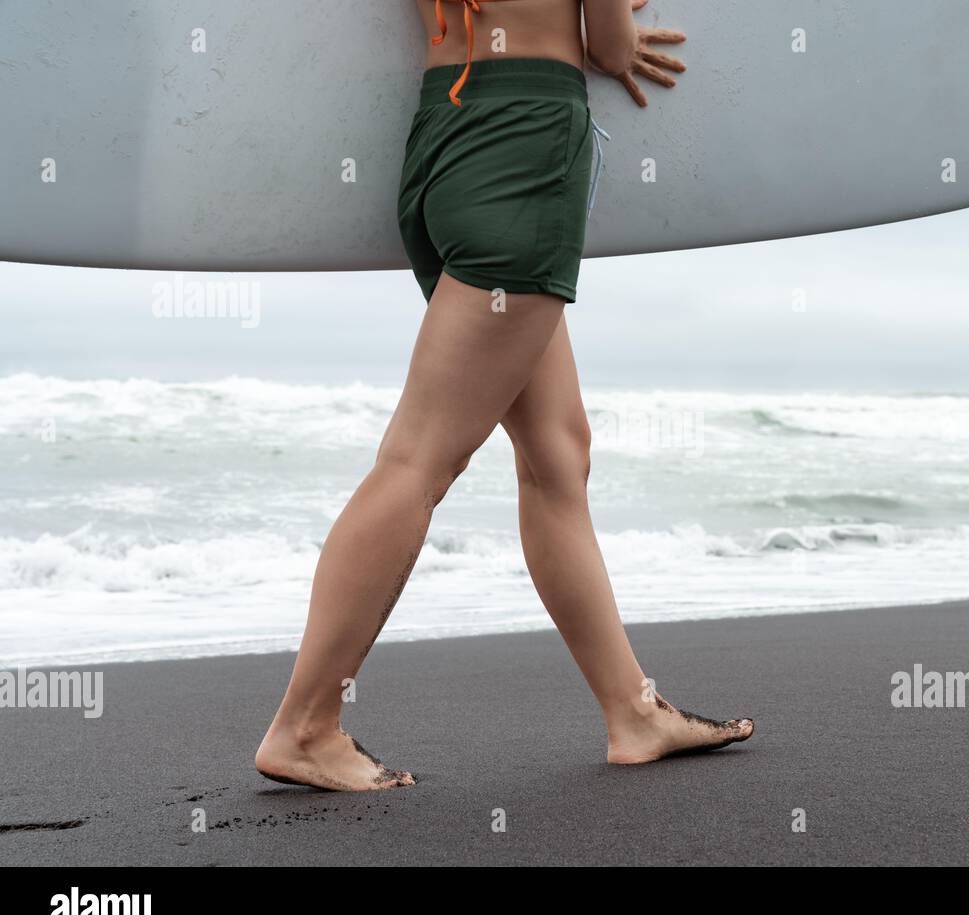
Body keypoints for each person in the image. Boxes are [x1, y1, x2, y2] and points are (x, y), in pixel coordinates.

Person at [255, 0, 753, 791]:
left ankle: (635, 710)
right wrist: (617, 29)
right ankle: (307, 725)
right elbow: (610, 45)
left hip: (443, 144)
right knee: (418, 461)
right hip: (527, 150)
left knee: (559, 451)